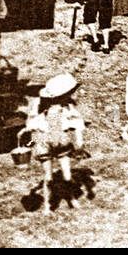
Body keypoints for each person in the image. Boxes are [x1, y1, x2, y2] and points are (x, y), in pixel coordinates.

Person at [26, 73, 89, 212]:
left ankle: (71, 198)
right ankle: (48, 205)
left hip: (61, 140)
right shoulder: (39, 105)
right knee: (48, 178)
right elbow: (32, 123)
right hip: (44, 141)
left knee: (67, 176)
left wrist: (79, 140)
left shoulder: (67, 106)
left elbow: (77, 122)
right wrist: (33, 139)